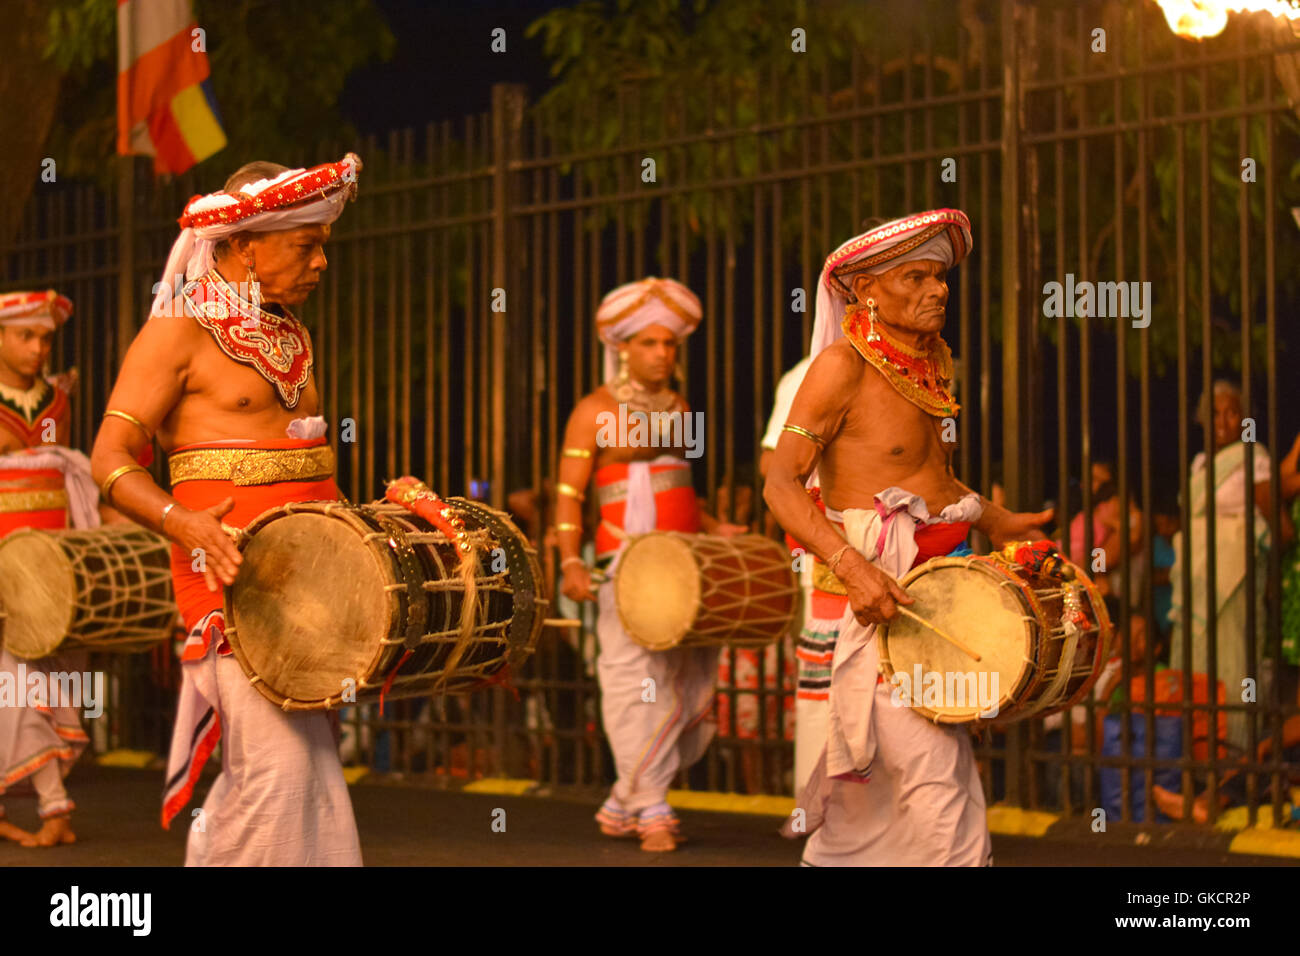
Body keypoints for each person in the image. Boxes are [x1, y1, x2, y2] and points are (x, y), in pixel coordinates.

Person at [89, 154, 365, 866]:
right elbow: (109, 458)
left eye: (323, 247)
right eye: (305, 245)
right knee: (279, 769)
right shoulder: (176, 333)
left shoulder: (292, 338)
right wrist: (185, 524)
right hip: (226, 587)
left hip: (307, 591)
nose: (320, 264)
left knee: (303, 770)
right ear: (244, 243)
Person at [764, 209, 1053, 866]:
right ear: (867, 288)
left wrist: (993, 520)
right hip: (882, 592)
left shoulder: (930, 362)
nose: (939, 289)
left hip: (940, 586)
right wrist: (857, 570)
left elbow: (929, 481)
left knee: (879, 790)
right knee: (936, 769)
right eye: (916, 276)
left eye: (941, 277)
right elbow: (779, 485)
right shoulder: (840, 368)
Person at [555, 277, 745, 851]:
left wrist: (715, 529)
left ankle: (624, 798)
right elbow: (569, 494)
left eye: (670, 344)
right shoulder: (594, 410)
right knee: (635, 680)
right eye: (649, 344)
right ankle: (652, 806)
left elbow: (686, 486)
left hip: (685, 566)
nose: (662, 353)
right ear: (622, 348)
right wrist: (570, 561)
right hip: (625, 564)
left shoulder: (682, 407)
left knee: (687, 680)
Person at [0, 290, 105, 848]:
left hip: (47, 571)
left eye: (45, 338)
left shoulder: (54, 403)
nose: (39, 347)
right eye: (25, 336)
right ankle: (53, 806)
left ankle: (56, 809)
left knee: (25, 685)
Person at [1169, 380, 1294, 754]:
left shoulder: (1252, 458)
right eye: (1214, 413)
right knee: (1194, 661)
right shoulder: (1201, 464)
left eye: (1231, 412)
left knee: (1232, 662)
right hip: (1195, 580)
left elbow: (1280, 527)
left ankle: (1234, 753)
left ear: (1243, 418)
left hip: (1234, 581)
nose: (1222, 420)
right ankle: (1190, 753)